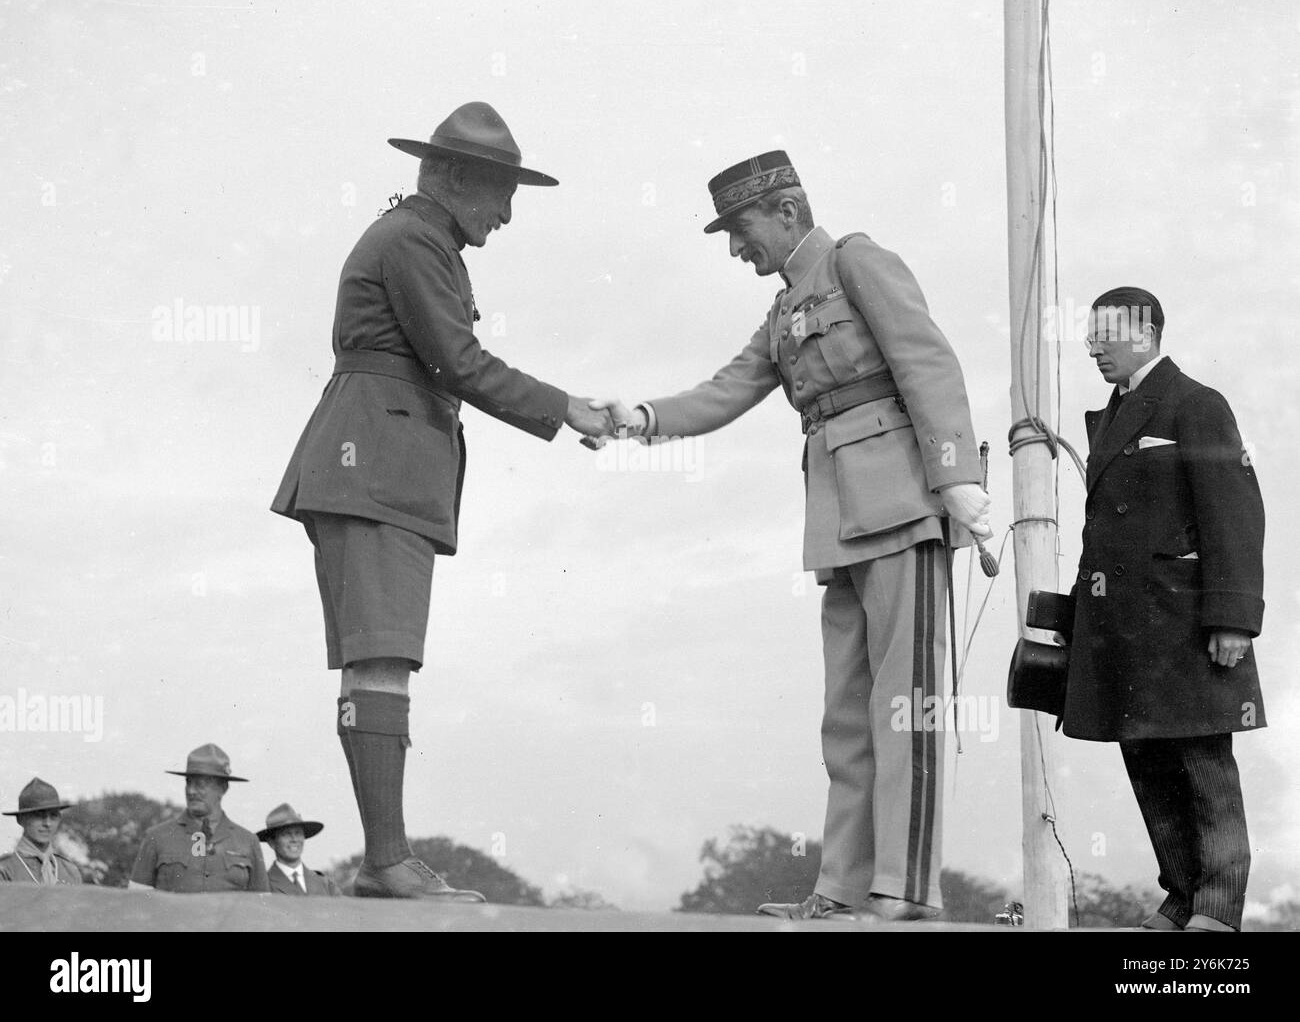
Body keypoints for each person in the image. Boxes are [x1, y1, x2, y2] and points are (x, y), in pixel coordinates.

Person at [594, 151, 990, 921]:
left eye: (740, 231)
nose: (738, 251)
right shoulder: (782, 312)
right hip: (837, 524)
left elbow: (928, 363)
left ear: (786, 210)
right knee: (846, 717)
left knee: (904, 709)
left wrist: (957, 480)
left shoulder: (857, 262)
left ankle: (903, 894)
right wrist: (639, 419)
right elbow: (727, 389)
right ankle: (841, 891)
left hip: (904, 509)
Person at [270, 101, 612, 900]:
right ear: (455, 178)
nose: (509, 214)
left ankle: (385, 857)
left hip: (380, 469)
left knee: (381, 662)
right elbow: (457, 359)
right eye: (503, 193)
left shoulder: (421, 238)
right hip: (375, 469)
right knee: (380, 660)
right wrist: (568, 407)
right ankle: (386, 861)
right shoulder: (417, 239)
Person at [1064, 287, 1265, 932]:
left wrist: (1233, 618)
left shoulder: (1197, 404)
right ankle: (1182, 896)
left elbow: (1233, 513)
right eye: (1090, 335)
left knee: (1204, 765)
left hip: (1184, 627)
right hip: (1121, 628)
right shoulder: (1114, 414)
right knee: (1147, 761)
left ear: (1146, 333)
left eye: (1108, 335)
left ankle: (1218, 909)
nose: (1094, 347)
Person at [128, 743, 270, 893]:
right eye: (188, 783)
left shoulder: (248, 842)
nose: (191, 791)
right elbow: (136, 904)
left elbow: (262, 908)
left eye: (201, 785)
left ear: (223, 788)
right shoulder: (156, 838)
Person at [0, 778, 83, 885]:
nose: (47, 824)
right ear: (20, 819)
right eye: (38, 816)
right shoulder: (5, 870)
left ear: (59, 819)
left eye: (53, 816)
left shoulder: (70, 872)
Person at [258, 803, 341, 896]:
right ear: (272, 842)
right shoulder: (263, 886)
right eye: (286, 834)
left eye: (298, 833)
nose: (294, 839)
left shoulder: (326, 885)